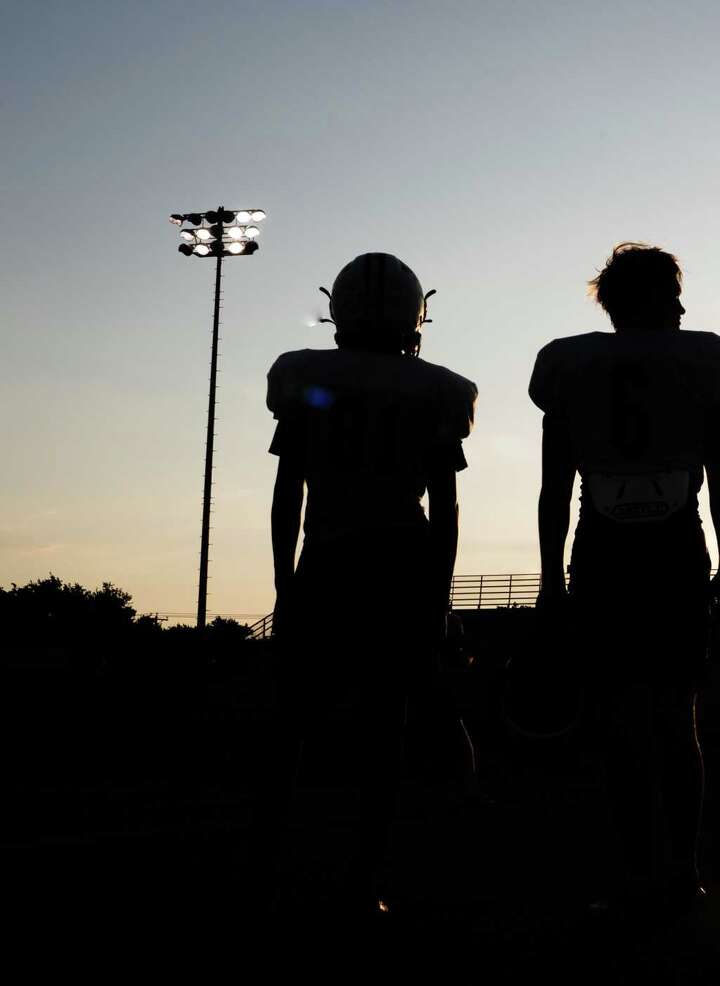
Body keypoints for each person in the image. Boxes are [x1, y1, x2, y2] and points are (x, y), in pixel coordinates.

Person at [259, 252, 477, 915]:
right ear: (416, 314)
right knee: (384, 729)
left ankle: (269, 867)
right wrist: (438, 598)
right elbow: (445, 506)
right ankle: (364, 880)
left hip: (327, 558)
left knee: (292, 725)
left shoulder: (306, 379)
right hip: (400, 563)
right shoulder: (438, 390)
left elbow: (286, 494)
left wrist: (283, 586)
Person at [529, 242, 720, 916]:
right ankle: (678, 872)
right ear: (646, 296)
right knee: (673, 719)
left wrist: (549, 577)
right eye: (670, 294)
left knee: (626, 720)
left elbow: (553, 488)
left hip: (605, 545)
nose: (681, 307)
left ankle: (642, 873)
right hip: (673, 545)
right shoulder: (702, 361)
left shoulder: (568, 366)